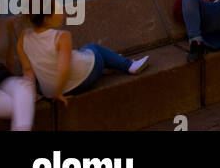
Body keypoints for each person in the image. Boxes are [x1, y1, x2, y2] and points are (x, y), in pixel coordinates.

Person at [17, 7, 149, 103]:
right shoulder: (62, 36)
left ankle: (110, 63)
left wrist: (40, 94)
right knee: (93, 48)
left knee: (85, 51)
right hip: (81, 81)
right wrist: (59, 94)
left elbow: (28, 71)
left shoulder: (23, 38)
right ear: (46, 18)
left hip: (49, 92)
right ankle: (130, 65)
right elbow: (64, 69)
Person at [0, 13, 35, 131]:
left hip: (2, 77)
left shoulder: (4, 25)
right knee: (22, 106)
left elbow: (9, 58)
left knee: (26, 87)